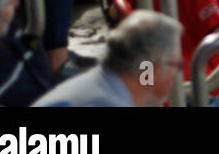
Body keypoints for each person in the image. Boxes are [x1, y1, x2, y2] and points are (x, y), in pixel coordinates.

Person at [33, 12, 183, 108]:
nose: (177, 73)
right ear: (149, 69)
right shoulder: (108, 102)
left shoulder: (100, 84)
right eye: (177, 65)